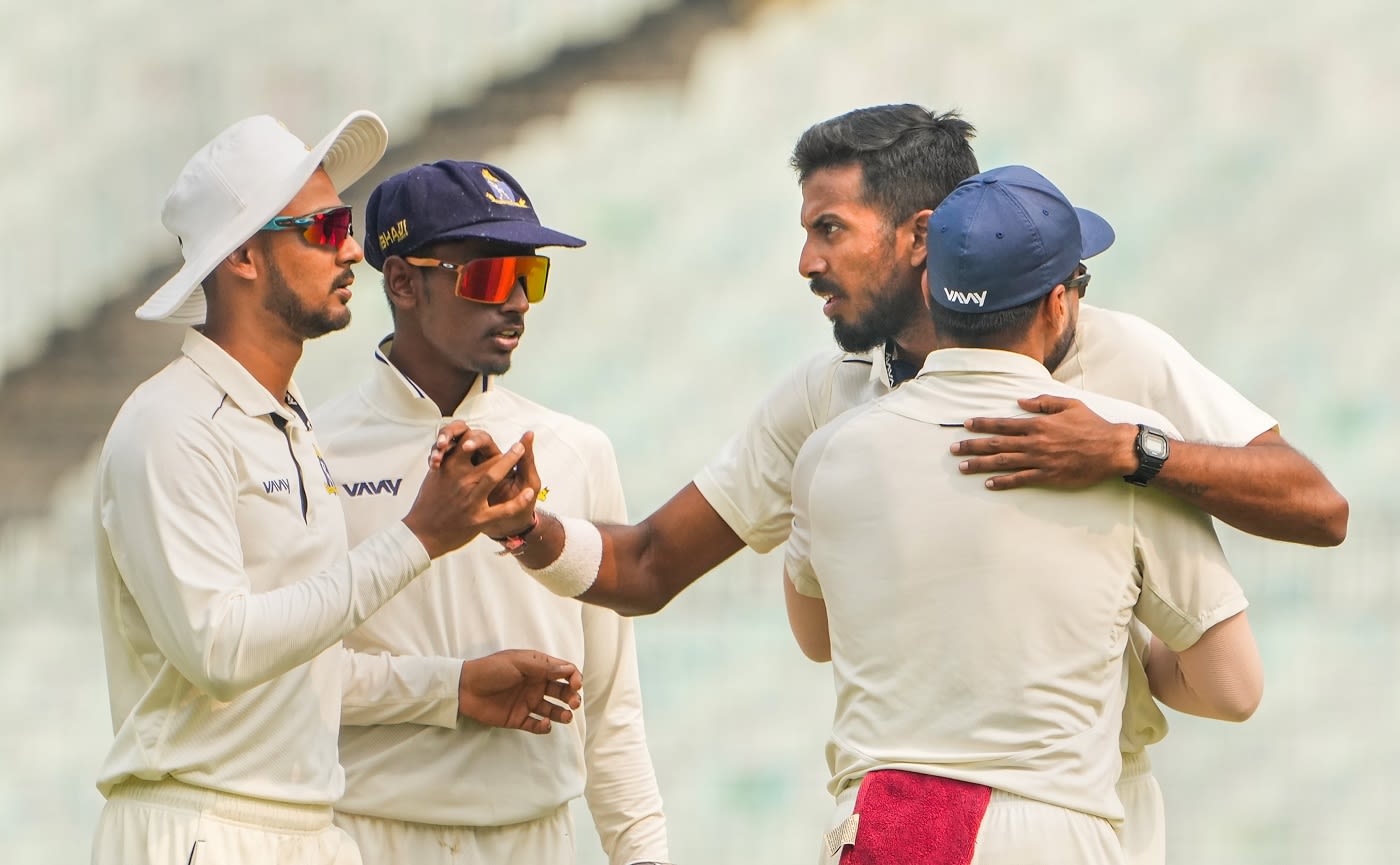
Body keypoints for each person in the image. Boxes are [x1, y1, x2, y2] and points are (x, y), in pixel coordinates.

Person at [443, 104, 1346, 865]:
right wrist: (531, 530)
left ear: (925, 237)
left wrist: (1133, 450)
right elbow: (645, 563)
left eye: (828, 228)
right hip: (944, 813)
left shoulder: (1121, 359)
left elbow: (1317, 503)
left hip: (1090, 801)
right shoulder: (824, 402)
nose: (806, 261)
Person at [92, 114, 584, 865]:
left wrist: (450, 688)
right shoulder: (171, 422)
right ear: (247, 257)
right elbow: (219, 650)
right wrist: (418, 536)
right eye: (323, 228)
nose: (352, 247)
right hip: (202, 824)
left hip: (306, 824)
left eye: (345, 223)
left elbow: (300, 668)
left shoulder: (289, 426)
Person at [782, 164, 1262, 864]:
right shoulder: (1121, 446)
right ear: (1058, 304)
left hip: (886, 826)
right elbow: (1233, 687)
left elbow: (818, 633)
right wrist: (1105, 649)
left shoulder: (829, 452)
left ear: (928, 287)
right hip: (1053, 833)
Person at [316, 160, 671, 865]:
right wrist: (452, 687)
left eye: (529, 276)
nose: (516, 302)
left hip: (535, 841)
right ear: (403, 282)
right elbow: (286, 679)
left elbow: (612, 708)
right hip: (361, 838)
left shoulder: (577, 451)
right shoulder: (313, 453)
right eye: (485, 276)